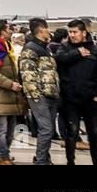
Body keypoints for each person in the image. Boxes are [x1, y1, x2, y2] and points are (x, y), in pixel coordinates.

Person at [55, 19, 97, 166]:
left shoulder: (95, 50)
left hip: (91, 99)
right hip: (70, 99)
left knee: (95, 134)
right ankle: (70, 161)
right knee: (72, 132)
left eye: (75, 32)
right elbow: (59, 60)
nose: (72, 35)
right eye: (70, 32)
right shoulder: (64, 48)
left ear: (84, 33)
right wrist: (77, 53)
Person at [0, 19, 27, 165]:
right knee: (1, 128)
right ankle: (3, 156)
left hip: (11, 94)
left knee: (10, 129)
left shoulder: (7, 46)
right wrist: (10, 84)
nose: (12, 32)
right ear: (3, 32)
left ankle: (4, 155)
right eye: (9, 29)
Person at [17, 18, 61, 165]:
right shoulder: (30, 48)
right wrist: (35, 96)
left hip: (51, 94)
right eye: (47, 29)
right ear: (41, 29)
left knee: (48, 130)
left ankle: (44, 158)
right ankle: (41, 160)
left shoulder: (45, 48)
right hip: (40, 96)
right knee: (46, 129)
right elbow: (27, 75)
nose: (49, 32)